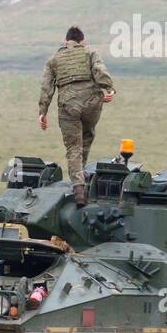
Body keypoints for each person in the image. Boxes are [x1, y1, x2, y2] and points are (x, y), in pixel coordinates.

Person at [37, 26, 116, 205]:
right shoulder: (90, 52)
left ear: (66, 41)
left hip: (68, 106)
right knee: (87, 135)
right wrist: (109, 88)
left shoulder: (54, 60)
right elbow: (100, 70)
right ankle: (82, 175)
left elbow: (46, 88)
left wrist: (43, 112)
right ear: (82, 41)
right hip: (91, 104)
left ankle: (78, 188)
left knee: (73, 146)